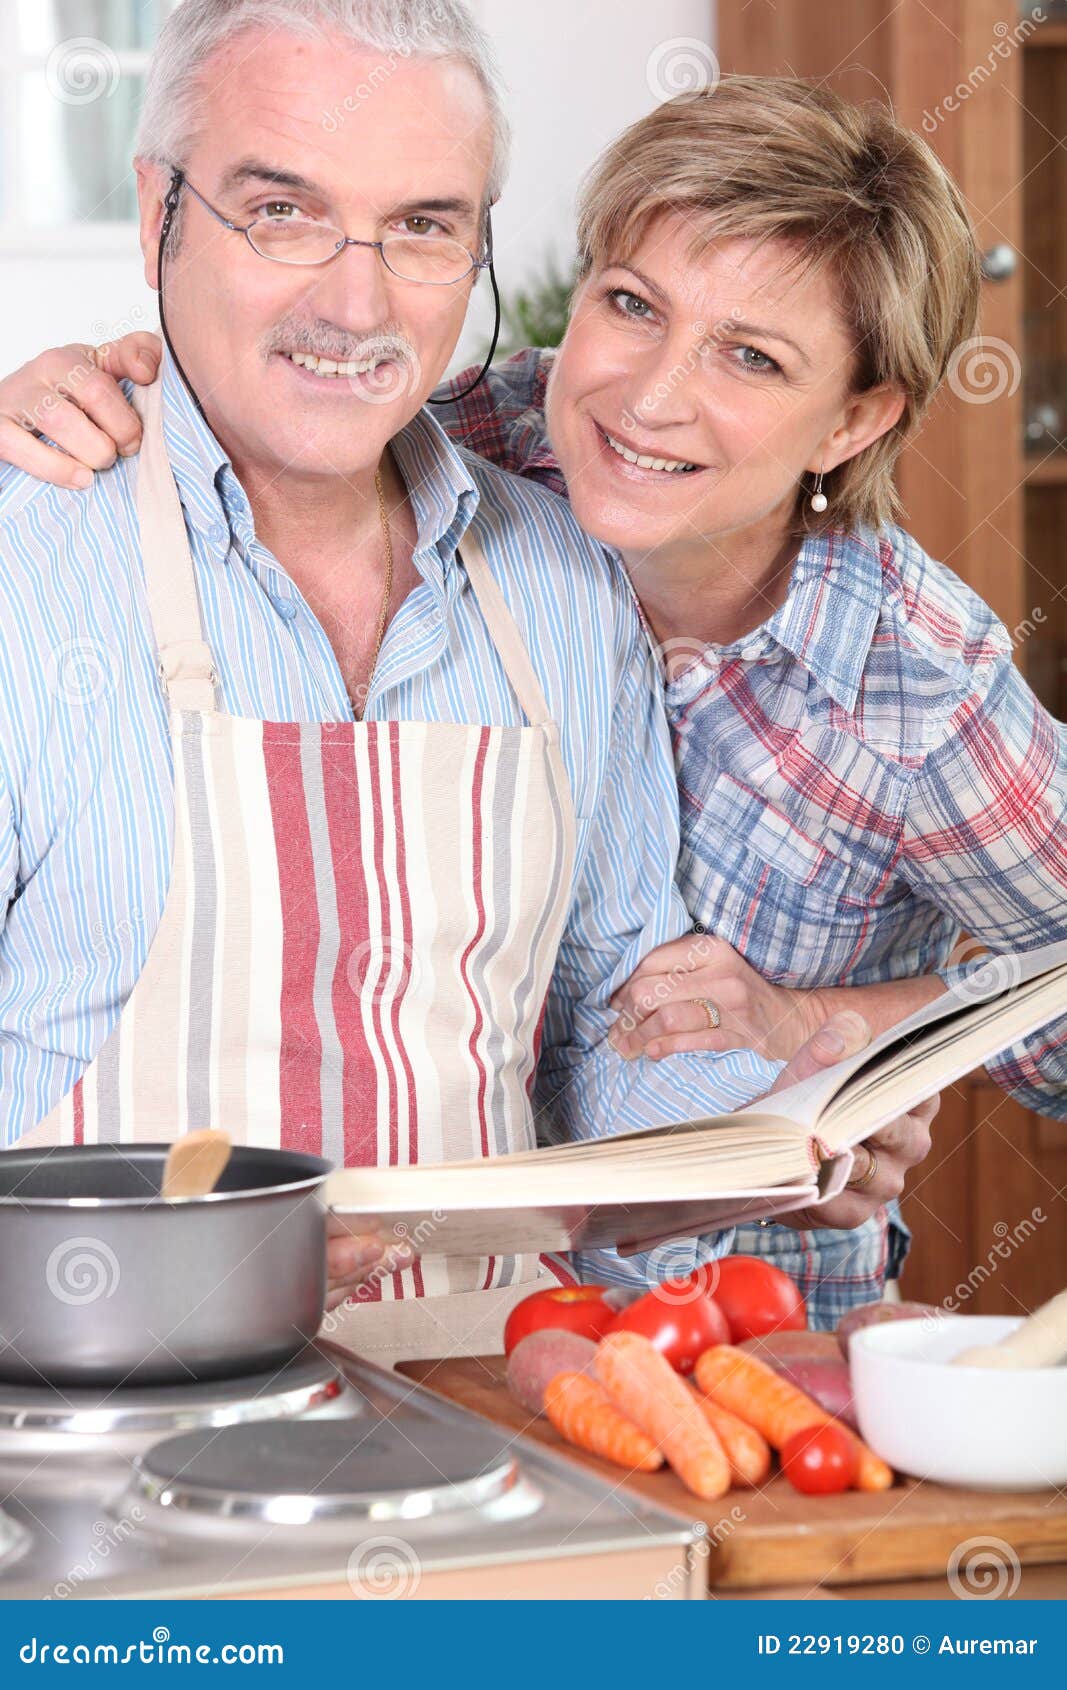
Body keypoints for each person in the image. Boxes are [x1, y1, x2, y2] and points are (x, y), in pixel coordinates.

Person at [11, 71, 1062, 1326]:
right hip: (470, 1303)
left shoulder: (912, 679)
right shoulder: (481, 441)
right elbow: (262, 388)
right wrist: (68, 392)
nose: (649, 397)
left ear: (852, 420)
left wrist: (835, 1036)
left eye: (750, 356)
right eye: (631, 305)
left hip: (741, 1306)